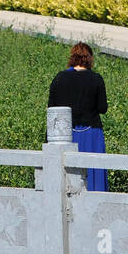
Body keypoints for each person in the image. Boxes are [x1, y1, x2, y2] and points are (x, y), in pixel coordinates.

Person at [48, 42, 108, 192]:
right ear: (90, 59)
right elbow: (102, 108)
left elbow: (51, 109)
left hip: (66, 134)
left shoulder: (60, 78)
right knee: (94, 172)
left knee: (66, 176)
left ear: (72, 57)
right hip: (91, 133)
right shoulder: (96, 79)